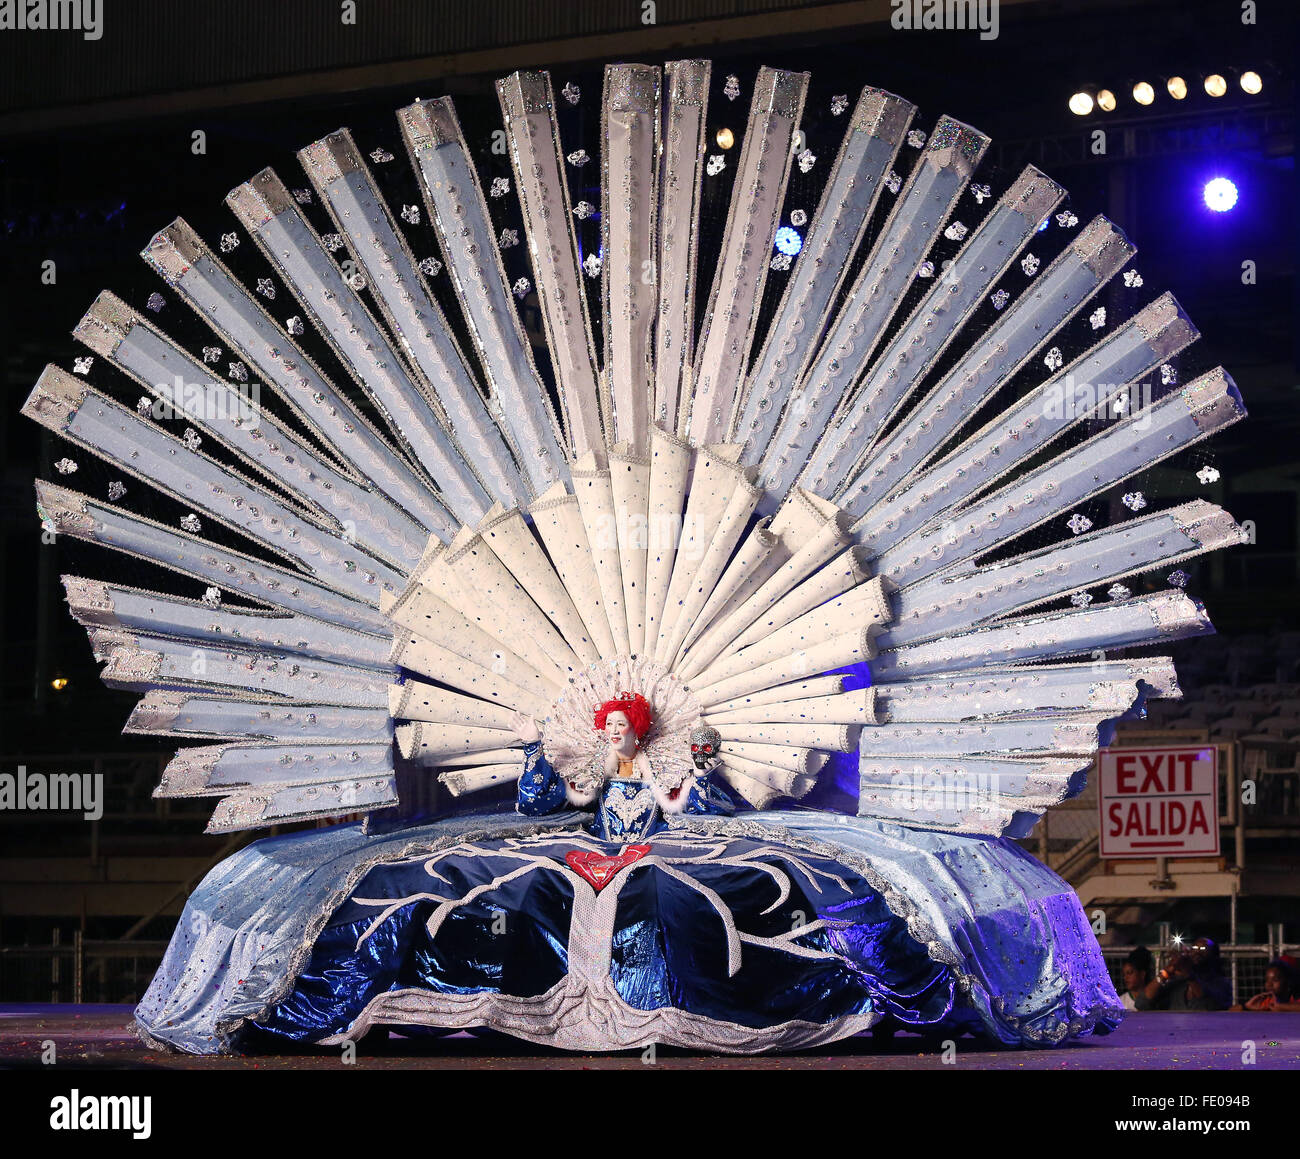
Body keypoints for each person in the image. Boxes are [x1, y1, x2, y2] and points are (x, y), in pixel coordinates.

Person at [1137, 937, 1232, 1011]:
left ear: (1214, 956)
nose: (1197, 952)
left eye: (1203, 949)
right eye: (1194, 948)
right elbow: (1141, 1003)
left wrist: (1188, 974)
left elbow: (1208, 1006)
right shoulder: (1177, 983)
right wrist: (1167, 971)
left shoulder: (1222, 983)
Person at [1234, 957, 1300, 1012]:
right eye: (1267, 980)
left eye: (1275, 980)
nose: (1269, 984)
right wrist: (1246, 1006)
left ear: (1288, 981)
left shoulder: (1295, 997)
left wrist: (1280, 1007)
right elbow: (1232, 1010)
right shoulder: (1267, 1000)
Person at [1120, 946, 1154, 1012]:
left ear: (1142, 974)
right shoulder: (1121, 1002)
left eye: (1130, 973)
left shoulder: (1154, 997)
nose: (1125, 978)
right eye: (1124, 974)